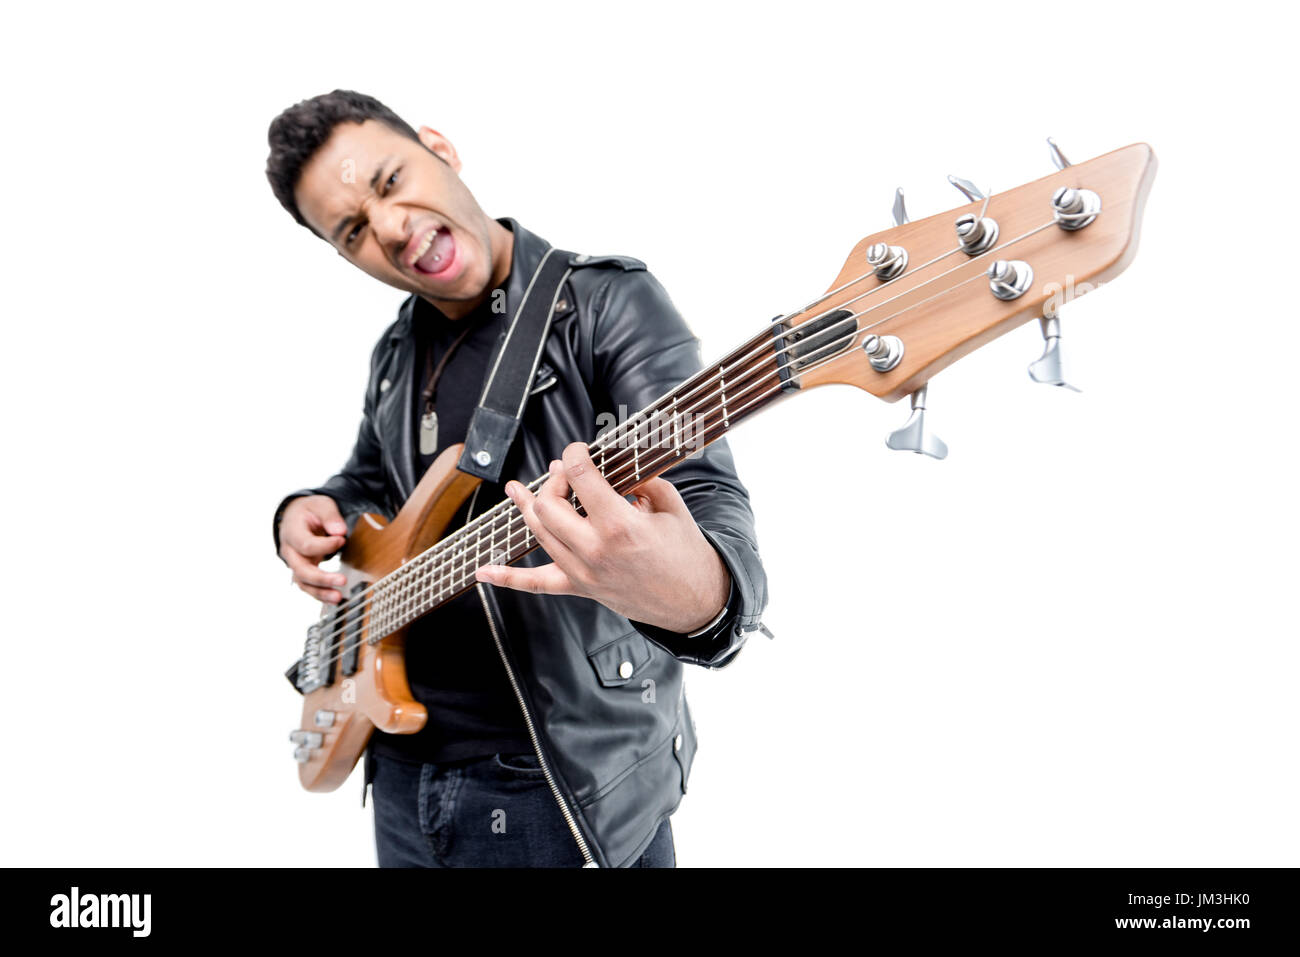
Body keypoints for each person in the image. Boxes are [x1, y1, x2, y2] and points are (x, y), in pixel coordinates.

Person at [265, 90, 768, 867]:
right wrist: (309, 508)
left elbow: (708, 499)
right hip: (401, 773)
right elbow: (370, 478)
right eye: (354, 230)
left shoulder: (604, 304)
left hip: (555, 789)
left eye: (392, 180)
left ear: (440, 145)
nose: (393, 229)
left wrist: (698, 595)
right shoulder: (397, 353)